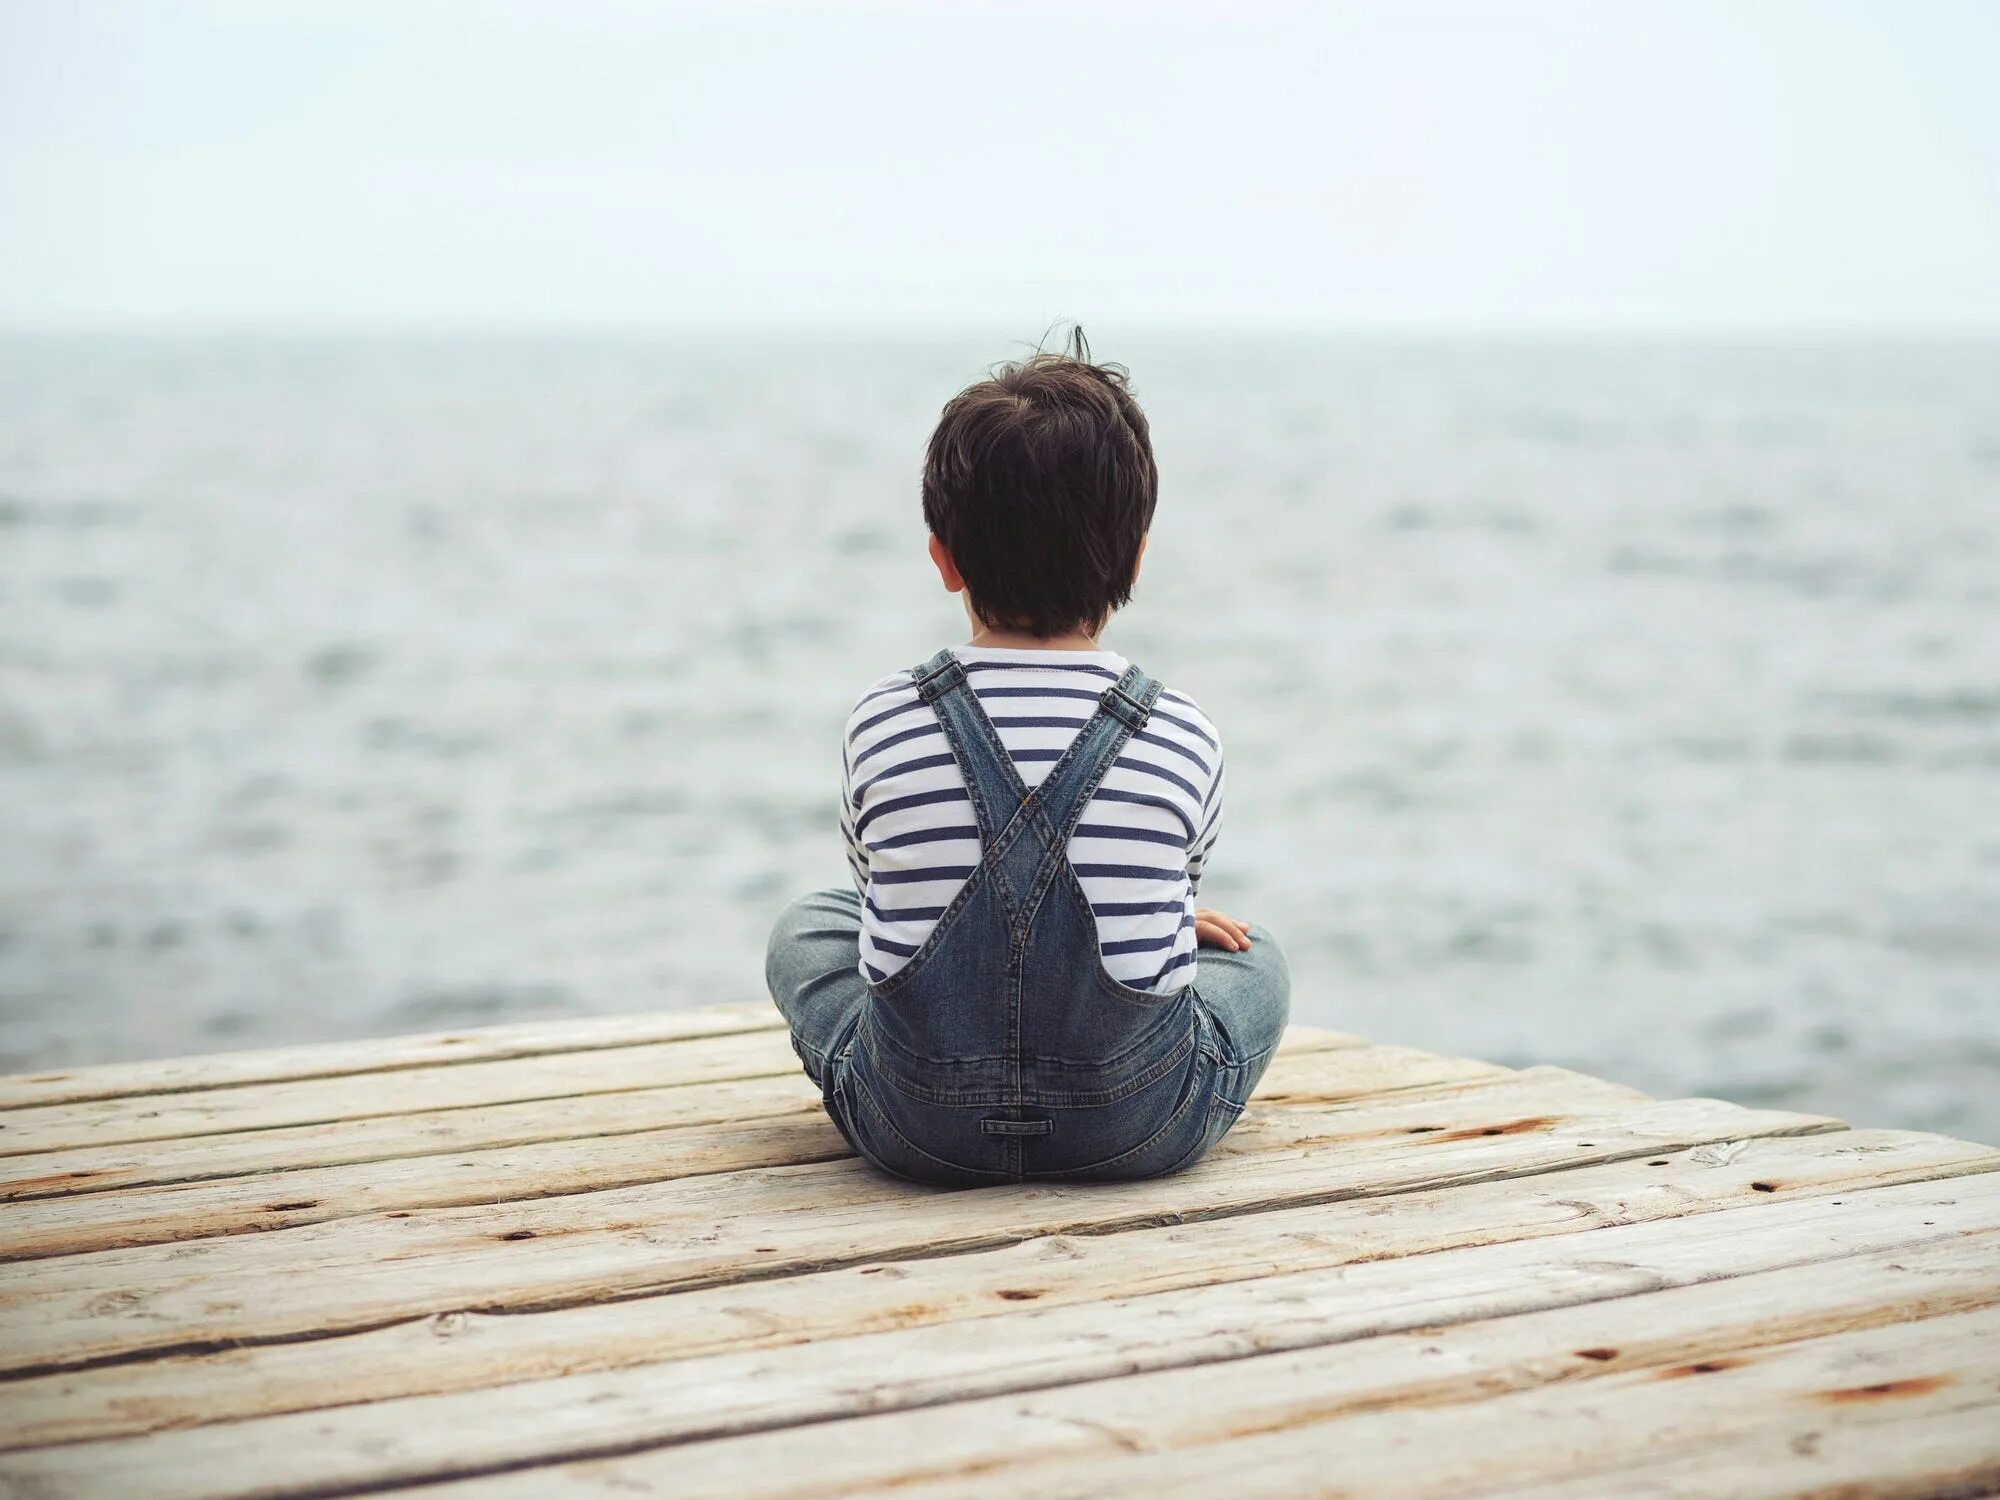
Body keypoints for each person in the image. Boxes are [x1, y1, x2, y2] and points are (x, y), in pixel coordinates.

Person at [765, 330, 1289, 1186]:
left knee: (808, 925)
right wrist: (1155, 921)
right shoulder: (1183, 728)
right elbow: (1176, 883)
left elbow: (881, 903)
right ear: (1136, 558)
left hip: (918, 1128)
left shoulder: (883, 715)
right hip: (1136, 1127)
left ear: (943, 557)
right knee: (1256, 956)